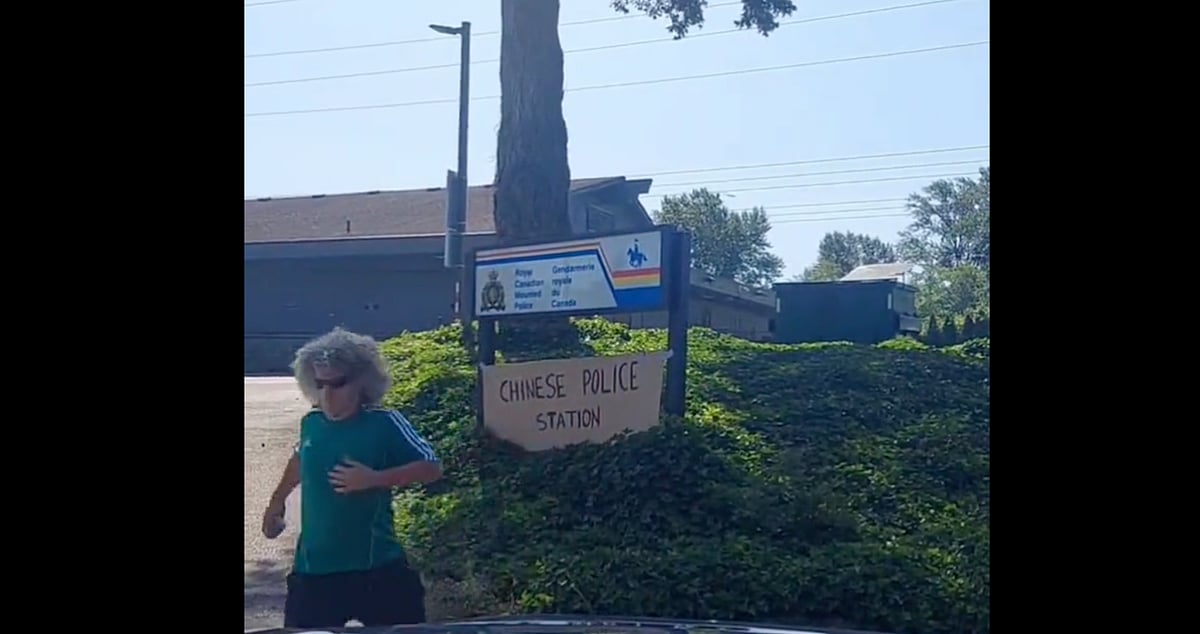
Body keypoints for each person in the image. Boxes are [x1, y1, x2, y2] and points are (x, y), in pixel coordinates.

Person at [261, 327, 444, 628]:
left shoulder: (385, 423)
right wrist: (276, 502)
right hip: (313, 572)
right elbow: (299, 459)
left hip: (376, 570)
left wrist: (374, 479)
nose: (327, 395)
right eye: (320, 384)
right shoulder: (312, 423)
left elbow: (432, 467)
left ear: (363, 382)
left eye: (338, 384)